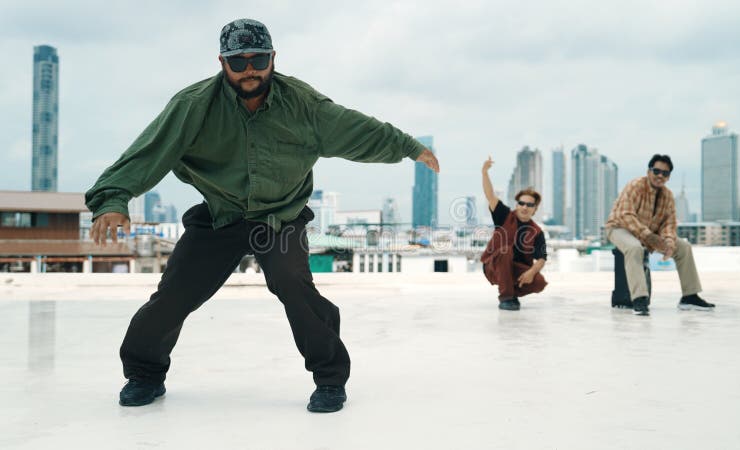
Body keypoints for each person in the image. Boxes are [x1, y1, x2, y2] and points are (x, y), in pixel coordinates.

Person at [85, 18, 440, 413]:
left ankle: (329, 381)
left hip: (280, 217)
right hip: (220, 214)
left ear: (273, 58)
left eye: (259, 59)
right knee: (174, 295)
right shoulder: (193, 106)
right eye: (239, 62)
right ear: (223, 63)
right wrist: (113, 200)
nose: (250, 69)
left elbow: (356, 129)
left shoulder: (304, 105)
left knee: (294, 286)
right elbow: (148, 152)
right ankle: (144, 374)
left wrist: (408, 147)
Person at [605, 154, 714, 316]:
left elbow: (669, 223)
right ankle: (639, 299)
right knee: (635, 248)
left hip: (648, 233)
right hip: (620, 228)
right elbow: (626, 215)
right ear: (649, 171)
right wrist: (649, 237)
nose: (660, 176)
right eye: (656, 171)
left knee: (683, 247)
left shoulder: (668, 196)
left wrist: (669, 242)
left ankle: (689, 296)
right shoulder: (635, 186)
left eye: (665, 173)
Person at [479, 156, 548, 310]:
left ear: (535, 209)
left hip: (515, 268)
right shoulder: (504, 216)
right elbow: (490, 196)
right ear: (517, 205)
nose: (524, 207)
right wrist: (484, 173)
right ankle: (506, 298)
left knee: (539, 282)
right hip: (493, 265)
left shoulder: (536, 231)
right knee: (505, 251)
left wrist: (531, 272)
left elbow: (542, 258)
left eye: (529, 205)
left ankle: (511, 292)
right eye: (521, 203)